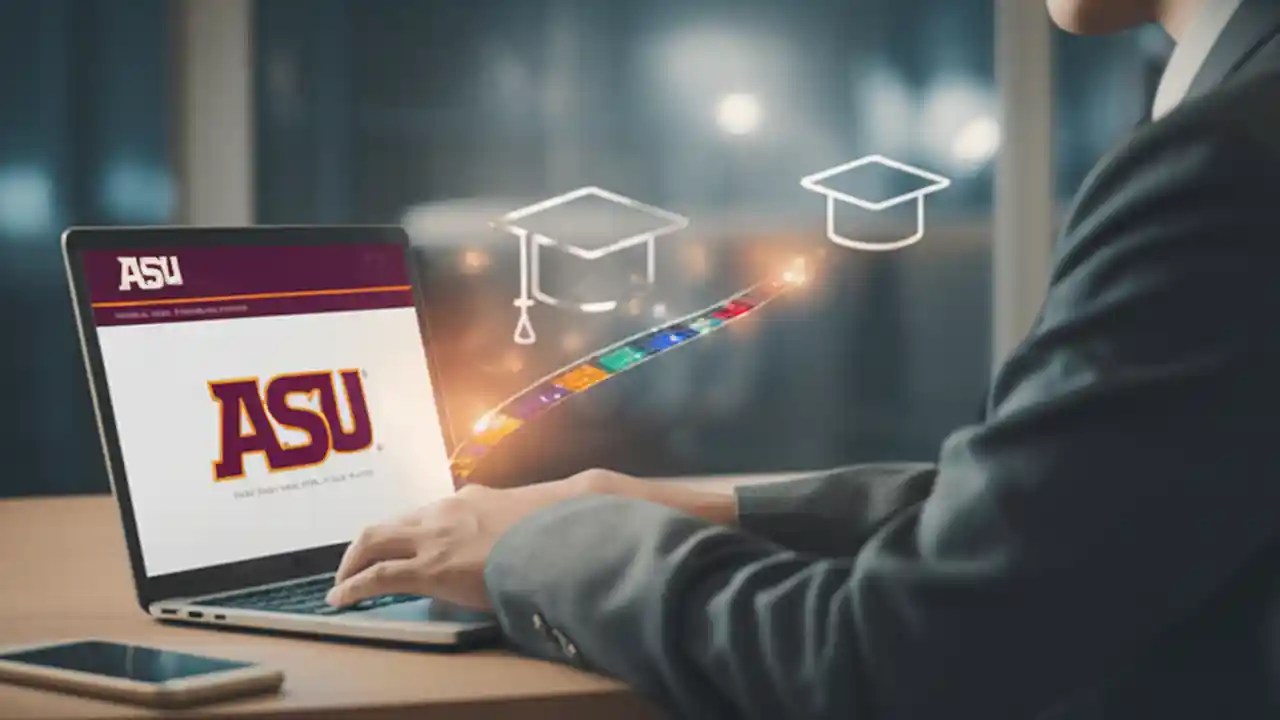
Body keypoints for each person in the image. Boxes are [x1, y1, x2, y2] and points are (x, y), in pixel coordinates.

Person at [328, 0, 1280, 717]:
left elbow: (896, 655)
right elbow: (1088, 506)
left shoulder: (1220, 161)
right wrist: (700, 506)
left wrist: (538, 551)